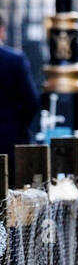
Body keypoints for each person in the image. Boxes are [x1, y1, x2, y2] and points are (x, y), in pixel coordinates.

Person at [0, 10, 40, 159]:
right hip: (10, 137)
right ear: (2, 29)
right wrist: (18, 123)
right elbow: (31, 100)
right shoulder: (15, 60)